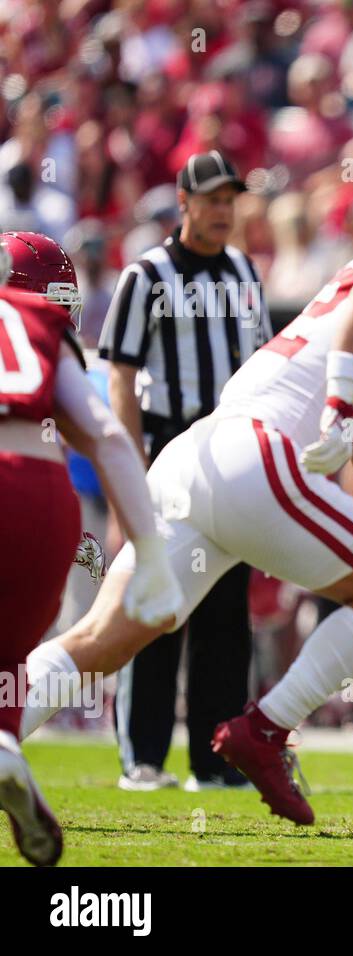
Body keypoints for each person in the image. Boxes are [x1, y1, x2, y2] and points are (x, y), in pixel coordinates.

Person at [19, 182, 353, 826]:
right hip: (261, 457)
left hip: (199, 458)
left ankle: (4, 732)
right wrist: (337, 409)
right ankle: (268, 729)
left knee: (102, 640)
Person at [0, 231, 183, 866]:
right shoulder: (47, 333)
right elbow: (106, 437)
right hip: (48, 502)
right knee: (11, 664)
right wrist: (152, 558)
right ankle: (2, 744)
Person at [99, 150, 271, 793]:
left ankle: (215, 760)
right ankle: (142, 759)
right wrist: (133, 466)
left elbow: (259, 372)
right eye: (212, 199)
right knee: (156, 602)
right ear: (184, 201)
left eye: (231, 199)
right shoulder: (147, 275)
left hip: (228, 452)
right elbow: (119, 371)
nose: (223, 210)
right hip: (169, 445)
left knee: (226, 613)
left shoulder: (244, 272)